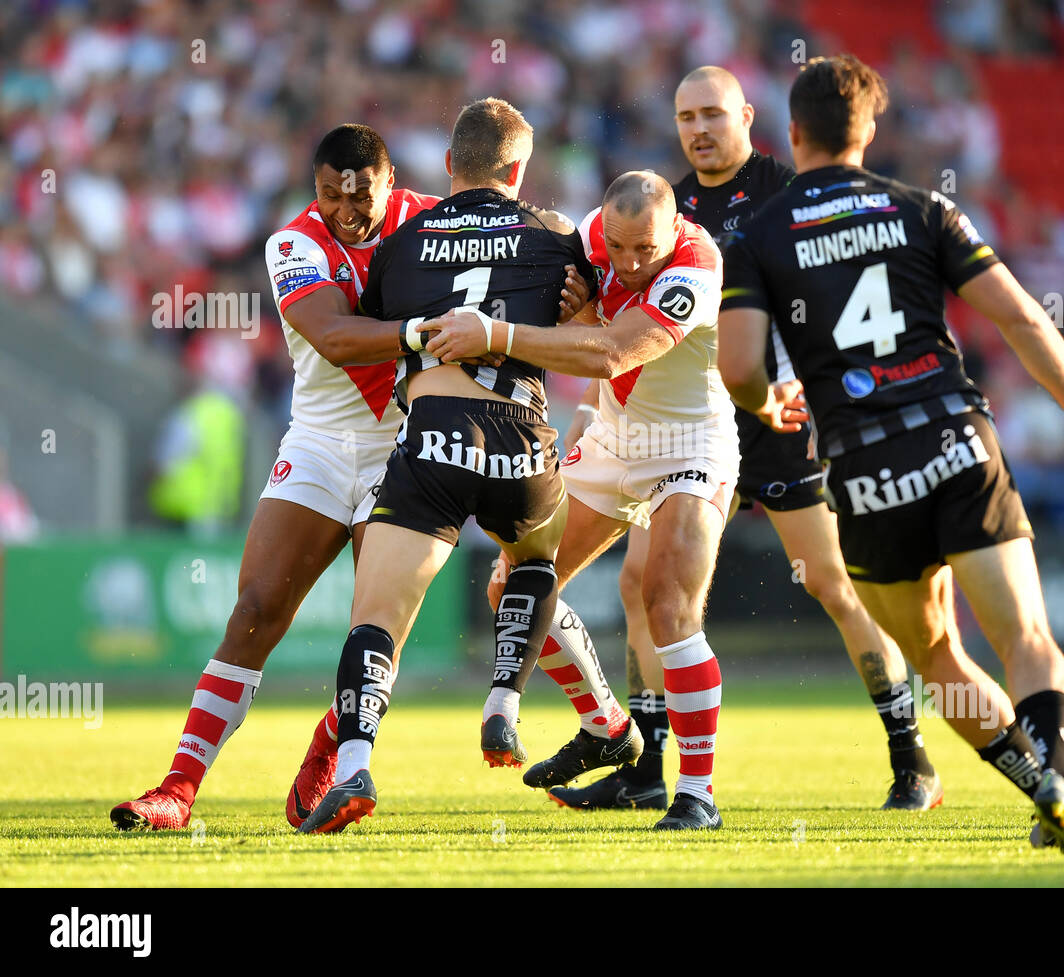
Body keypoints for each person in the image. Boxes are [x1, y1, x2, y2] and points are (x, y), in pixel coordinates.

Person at [111, 121, 585, 831]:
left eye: (359, 195)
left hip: (414, 439)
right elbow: (334, 337)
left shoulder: (432, 220)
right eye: (330, 194)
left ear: (392, 183)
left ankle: (333, 743)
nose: (344, 210)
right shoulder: (294, 243)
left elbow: (534, 240)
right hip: (323, 442)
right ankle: (177, 789)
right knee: (255, 611)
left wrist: (562, 284)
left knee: (378, 629)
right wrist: (428, 330)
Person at [718, 55, 1064, 853]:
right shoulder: (923, 208)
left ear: (790, 133)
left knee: (936, 657)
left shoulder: (758, 236)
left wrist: (765, 402)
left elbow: (738, 366)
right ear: (869, 131)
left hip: (863, 469)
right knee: (1028, 641)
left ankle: (1038, 786)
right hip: (954, 437)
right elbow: (1021, 319)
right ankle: (1062, 780)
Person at [554, 65, 940, 813]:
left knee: (834, 583)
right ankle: (648, 767)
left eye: (713, 114)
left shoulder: (789, 194)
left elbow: (844, 305)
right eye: (686, 116)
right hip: (688, 430)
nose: (699, 128)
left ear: (747, 116)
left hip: (780, 421)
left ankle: (910, 755)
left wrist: (832, 395)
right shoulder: (660, 210)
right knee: (641, 585)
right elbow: (624, 329)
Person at [426, 170, 773, 830]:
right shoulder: (590, 237)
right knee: (512, 587)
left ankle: (696, 793)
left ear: (676, 229)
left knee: (667, 604)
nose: (632, 262)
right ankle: (608, 726)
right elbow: (548, 288)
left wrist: (495, 335)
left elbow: (614, 352)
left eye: (647, 248)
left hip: (690, 446)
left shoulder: (697, 268)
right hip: (614, 437)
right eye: (618, 248)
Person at [297, 98, 592, 833]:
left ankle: (358, 764)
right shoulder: (555, 237)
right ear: (518, 169)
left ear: (447, 167)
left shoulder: (399, 246)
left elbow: (368, 333)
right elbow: (588, 323)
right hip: (522, 438)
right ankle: (504, 699)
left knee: (376, 620)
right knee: (533, 558)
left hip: (431, 437)